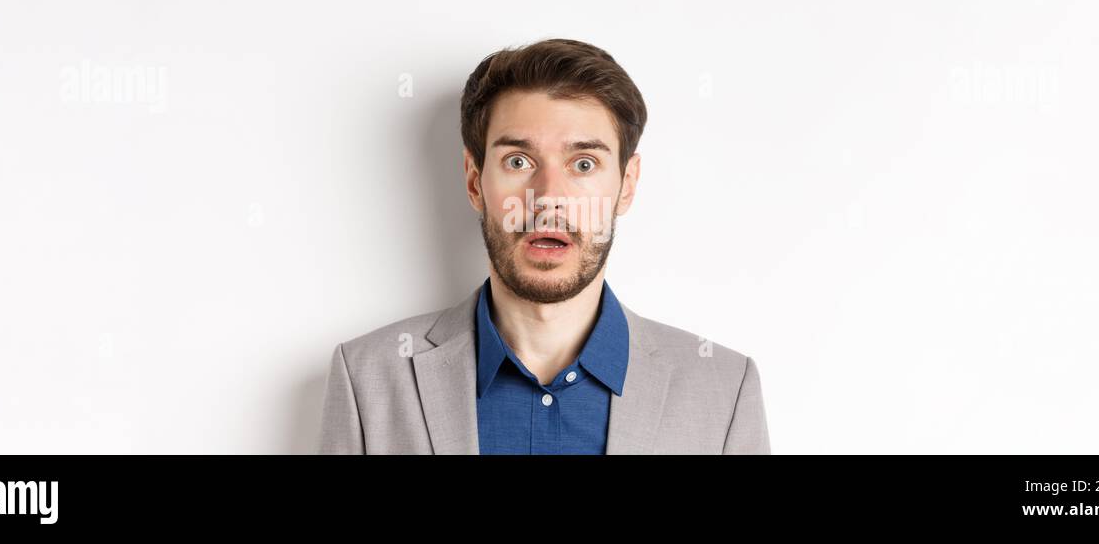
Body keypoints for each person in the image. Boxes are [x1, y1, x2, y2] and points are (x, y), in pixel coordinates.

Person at [319, 38, 770, 454]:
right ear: (475, 181)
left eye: (584, 163)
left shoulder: (725, 391)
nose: (548, 197)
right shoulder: (368, 378)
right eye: (518, 161)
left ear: (626, 185)